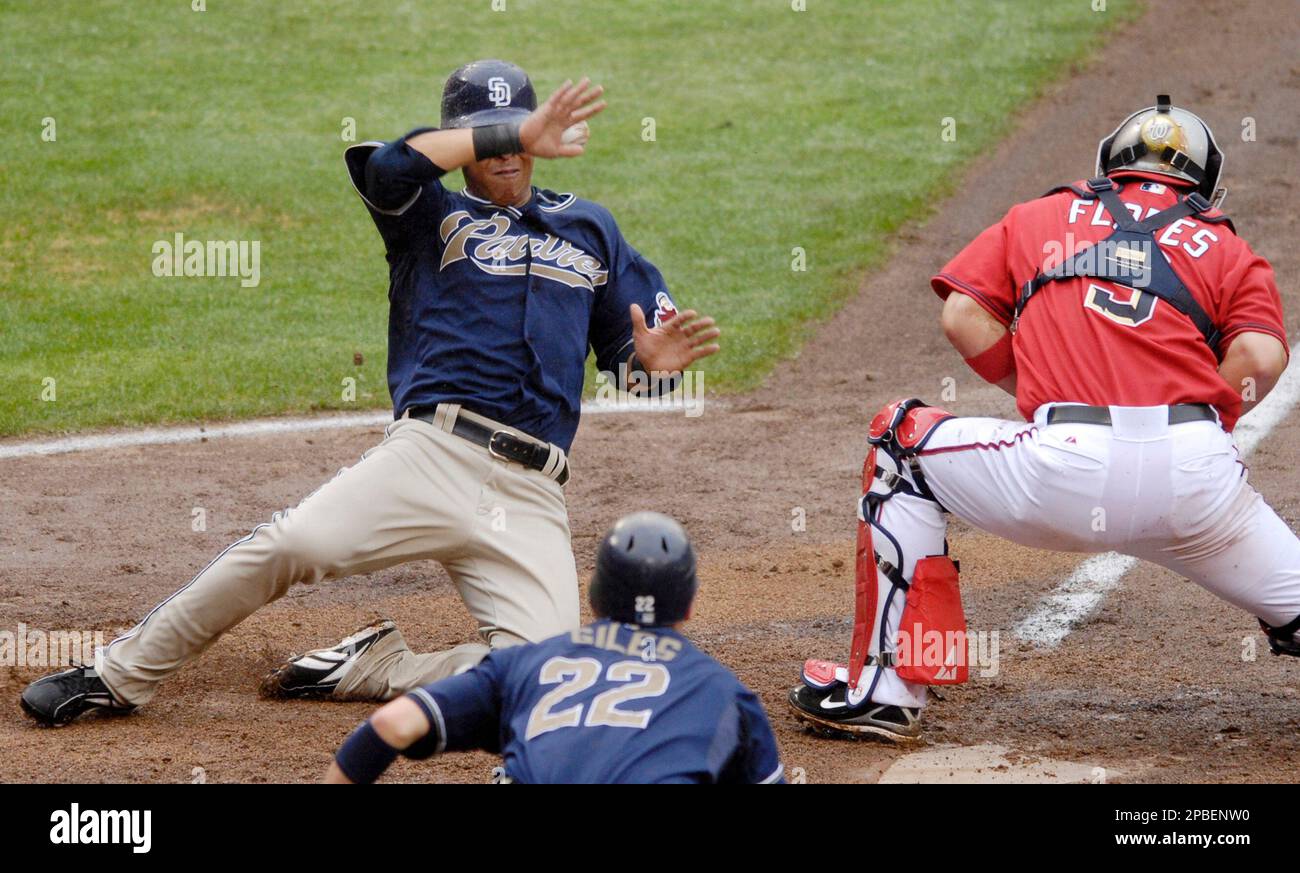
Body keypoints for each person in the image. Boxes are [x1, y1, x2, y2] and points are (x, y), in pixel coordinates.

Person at [21, 59, 720, 726]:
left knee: (547, 682)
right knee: (291, 542)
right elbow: (392, 162)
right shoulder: (426, 216)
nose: (508, 154)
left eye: (520, 134)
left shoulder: (592, 229)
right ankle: (116, 674)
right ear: (466, 140)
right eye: (492, 137)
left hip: (532, 495)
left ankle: (378, 666)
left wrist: (654, 368)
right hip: (431, 455)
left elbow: (636, 365)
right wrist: (509, 129)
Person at [788, 95, 1296, 742]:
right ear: (1203, 182)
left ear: (1109, 165)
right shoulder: (1226, 246)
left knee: (898, 442)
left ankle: (887, 690)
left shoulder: (1041, 215)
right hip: (1197, 482)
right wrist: (1202, 427)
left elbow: (961, 315)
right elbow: (1258, 354)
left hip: (1061, 472)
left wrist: (1037, 389)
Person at [325, 513, 784, 784]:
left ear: (595, 596)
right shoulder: (726, 696)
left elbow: (392, 723)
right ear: (688, 605)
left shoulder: (527, 664)